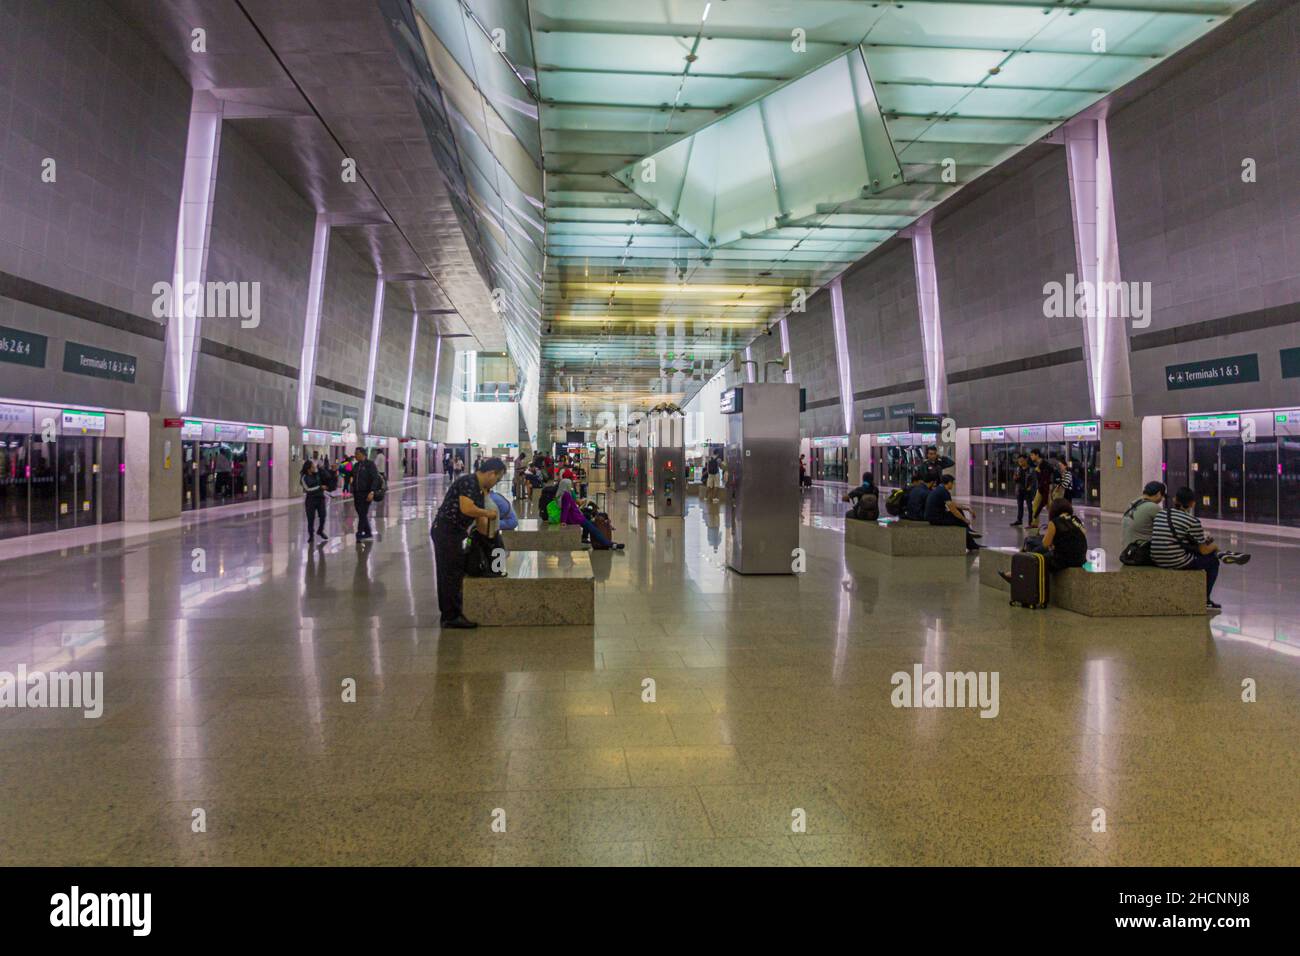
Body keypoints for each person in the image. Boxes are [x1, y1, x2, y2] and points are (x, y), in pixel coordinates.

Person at [431, 457, 507, 629]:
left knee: (454, 571)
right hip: (446, 532)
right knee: (450, 574)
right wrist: (489, 514)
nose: (496, 482)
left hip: (454, 533)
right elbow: (467, 508)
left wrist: (490, 538)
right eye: (498, 478)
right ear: (490, 473)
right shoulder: (469, 482)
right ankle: (450, 616)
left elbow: (478, 519)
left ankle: (452, 613)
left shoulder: (478, 488)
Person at [1150, 486, 1250, 609]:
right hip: (1174, 560)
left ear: (1175, 500)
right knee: (1212, 561)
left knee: (1206, 550)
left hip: (1155, 558)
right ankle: (1205, 599)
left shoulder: (1161, 514)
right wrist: (1213, 547)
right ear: (1192, 504)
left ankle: (1223, 554)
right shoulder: (1192, 521)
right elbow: (1203, 550)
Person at [557, 478, 624, 550]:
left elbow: (565, 508)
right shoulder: (566, 495)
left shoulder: (561, 495)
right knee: (594, 529)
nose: (571, 486)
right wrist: (563, 521)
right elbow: (565, 509)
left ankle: (606, 542)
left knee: (593, 526)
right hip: (576, 518)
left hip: (575, 517)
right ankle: (610, 544)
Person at [924, 474, 980, 550]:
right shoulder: (944, 492)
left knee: (959, 513)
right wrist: (964, 519)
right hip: (936, 518)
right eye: (953, 483)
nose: (953, 485)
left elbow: (952, 504)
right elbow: (953, 510)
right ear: (949, 482)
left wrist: (967, 508)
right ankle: (971, 541)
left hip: (933, 517)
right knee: (959, 520)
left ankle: (970, 537)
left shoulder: (940, 489)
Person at [1120, 481, 1166, 552]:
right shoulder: (1153, 507)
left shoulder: (1133, 503)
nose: (1162, 499)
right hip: (1140, 553)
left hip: (1126, 552)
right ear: (1159, 494)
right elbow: (1167, 528)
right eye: (1163, 496)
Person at [350, 447, 381, 541]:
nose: (355, 456)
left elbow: (375, 478)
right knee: (360, 513)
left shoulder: (370, 464)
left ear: (362, 454)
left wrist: (372, 492)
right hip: (357, 493)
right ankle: (368, 532)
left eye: (357, 454)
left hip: (366, 493)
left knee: (363, 512)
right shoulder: (356, 465)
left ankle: (359, 534)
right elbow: (352, 476)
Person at [300, 460, 327, 542]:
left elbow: (326, 479)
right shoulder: (304, 477)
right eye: (313, 466)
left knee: (323, 515)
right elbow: (307, 489)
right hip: (311, 500)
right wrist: (319, 488)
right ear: (309, 469)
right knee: (310, 519)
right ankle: (311, 535)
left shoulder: (317, 475)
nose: (314, 467)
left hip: (320, 499)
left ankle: (320, 530)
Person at [1028, 449, 1052, 526]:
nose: (1031, 457)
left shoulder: (1045, 464)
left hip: (1047, 488)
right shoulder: (1037, 464)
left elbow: (1046, 477)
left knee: (1050, 508)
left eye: (1032, 455)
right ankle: (1034, 524)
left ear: (1037, 455)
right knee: (1035, 504)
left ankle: (1053, 524)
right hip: (1041, 488)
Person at [1010, 453, 1035, 527]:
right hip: (1019, 490)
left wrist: (1031, 487)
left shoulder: (1030, 469)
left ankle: (1030, 522)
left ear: (1025, 460)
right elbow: (1015, 479)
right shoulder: (1017, 469)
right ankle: (1019, 520)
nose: (1020, 462)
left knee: (1030, 507)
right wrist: (1015, 478)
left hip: (1028, 490)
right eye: (1019, 461)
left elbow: (1034, 480)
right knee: (1020, 506)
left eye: (1021, 461)